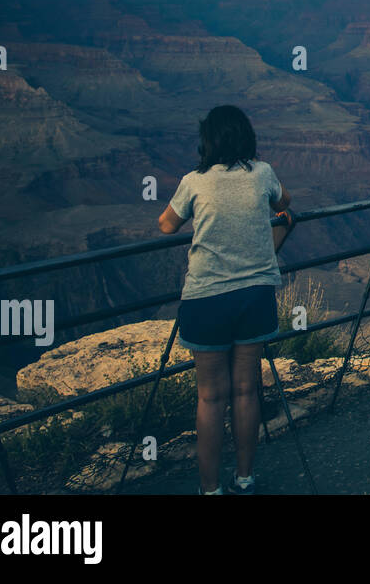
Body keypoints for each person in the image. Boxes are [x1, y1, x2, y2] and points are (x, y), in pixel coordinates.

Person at [157, 105, 292, 495]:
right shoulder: (263, 173)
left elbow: (166, 225)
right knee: (247, 390)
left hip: (207, 300)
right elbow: (285, 203)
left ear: (208, 142)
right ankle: (245, 479)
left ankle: (210, 488)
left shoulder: (193, 182)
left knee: (210, 397)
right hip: (254, 297)